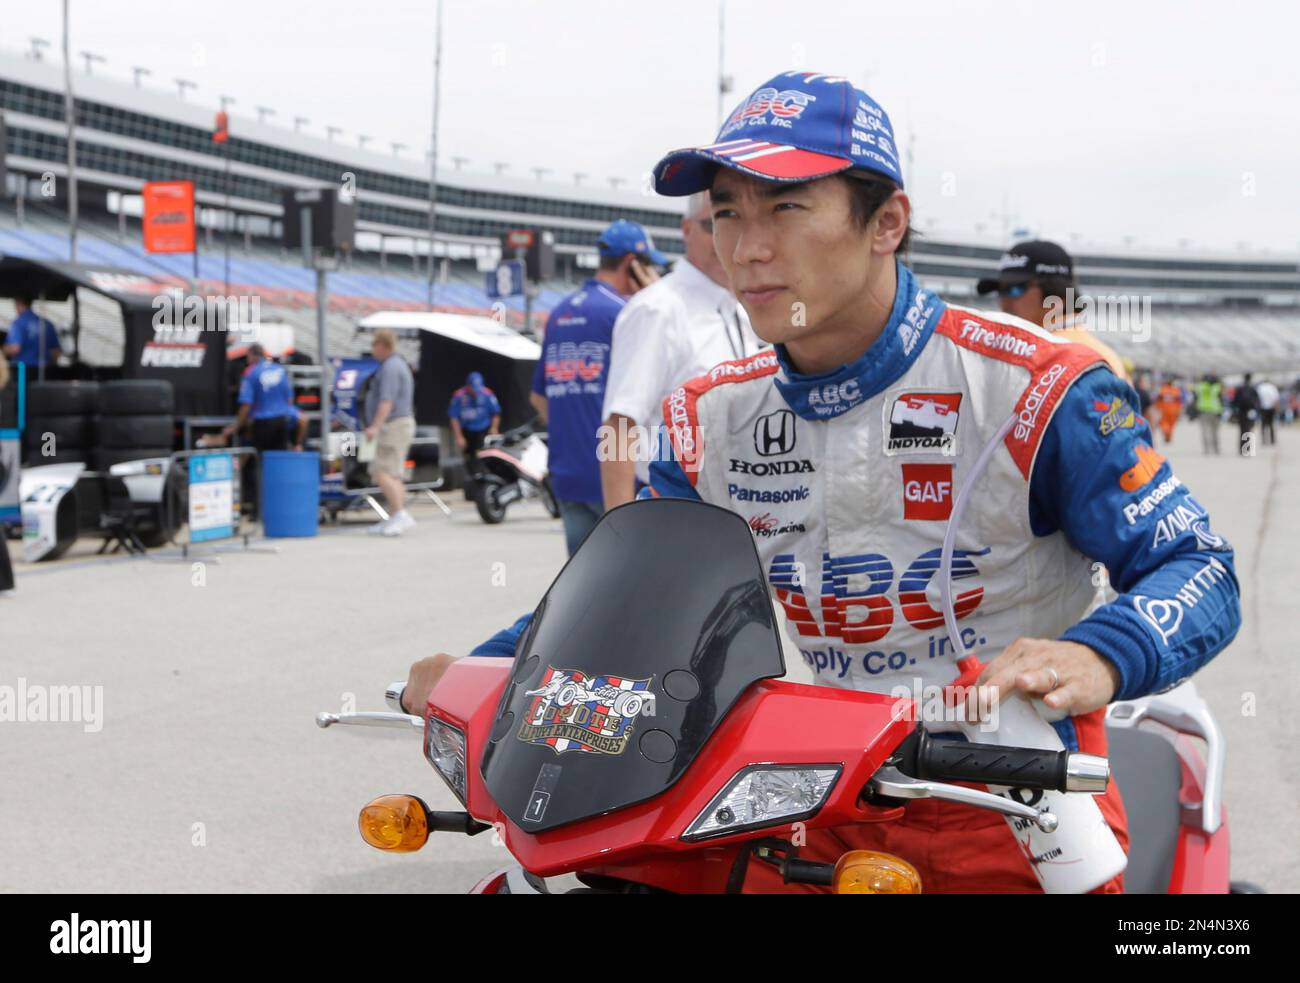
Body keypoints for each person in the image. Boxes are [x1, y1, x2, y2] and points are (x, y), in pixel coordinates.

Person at [402, 71, 1241, 893]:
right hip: (781, 798)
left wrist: (1100, 653)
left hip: (1002, 799)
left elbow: (1200, 566)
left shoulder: (1038, 387)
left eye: (786, 207)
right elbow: (631, 602)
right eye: (726, 212)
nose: (747, 246)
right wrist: (489, 675)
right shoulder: (709, 416)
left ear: (887, 223)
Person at [599, 192, 765, 509]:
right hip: (669, 504)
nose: (723, 236)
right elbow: (620, 427)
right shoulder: (658, 309)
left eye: (737, 222)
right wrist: (619, 532)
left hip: (733, 505)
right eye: (713, 222)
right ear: (687, 230)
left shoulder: (738, 310)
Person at [530, 219, 662, 554]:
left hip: (567, 473)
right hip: (618, 477)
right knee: (632, 588)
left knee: (586, 591)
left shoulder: (559, 314)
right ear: (633, 263)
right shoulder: (629, 312)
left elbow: (538, 397)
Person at [976, 240, 1129, 381]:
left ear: (1055, 294)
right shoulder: (1032, 349)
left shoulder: (1087, 358)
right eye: (1000, 291)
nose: (1004, 301)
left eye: (1014, 289)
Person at [221, 343, 306, 515]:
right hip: (282, 422)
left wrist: (237, 426)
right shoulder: (280, 370)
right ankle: (279, 507)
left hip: (262, 424)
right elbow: (289, 400)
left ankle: (259, 510)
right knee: (279, 464)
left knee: (259, 466)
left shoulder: (251, 373)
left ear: (251, 356)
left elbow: (246, 405)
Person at [363, 329, 417, 536]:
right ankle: (396, 515)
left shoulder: (390, 368)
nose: (372, 349)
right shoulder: (397, 365)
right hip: (399, 423)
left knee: (381, 470)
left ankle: (400, 515)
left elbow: (387, 401)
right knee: (394, 473)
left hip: (392, 425)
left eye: (374, 345)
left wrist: (375, 426)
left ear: (383, 345)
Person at [447, 372, 501, 478]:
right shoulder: (459, 396)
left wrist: (494, 428)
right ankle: (471, 478)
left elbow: (495, 413)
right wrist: (459, 437)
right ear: (468, 386)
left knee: (481, 454)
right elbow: (454, 417)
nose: (476, 392)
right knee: (468, 456)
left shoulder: (487, 394)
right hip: (466, 429)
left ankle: (484, 475)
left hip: (483, 429)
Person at [3, 295, 62, 374]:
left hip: (22, 372)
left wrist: (3, 350)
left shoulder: (19, 323)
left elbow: (15, 348)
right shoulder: (47, 324)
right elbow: (56, 352)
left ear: (18, 304)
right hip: (44, 371)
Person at [1194, 374, 1223, 455]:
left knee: (1205, 431)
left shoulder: (1200, 387)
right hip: (1215, 410)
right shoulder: (1217, 387)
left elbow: (1196, 396)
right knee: (1215, 432)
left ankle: (1206, 449)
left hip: (1203, 410)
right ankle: (1216, 449)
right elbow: (1221, 398)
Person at [1232, 373, 1260, 456]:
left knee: (1241, 430)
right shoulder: (1252, 388)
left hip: (1241, 412)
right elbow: (1257, 400)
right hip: (1250, 411)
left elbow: (1234, 401)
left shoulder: (1240, 388)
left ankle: (1241, 449)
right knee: (1249, 429)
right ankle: (1248, 449)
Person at [1154, 378, 1183, 443]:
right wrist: (1179, 411)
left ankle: (1166, 433)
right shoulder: (1176, 390)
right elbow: (1179, 402)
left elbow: (1158, 401)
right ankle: (1169, 436)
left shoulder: (1162, 390)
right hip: (1173, 411)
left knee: (1164, 423)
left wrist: (1158, 408)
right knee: (1172, 425)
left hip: (1164, 410)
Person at [1256, 377, 1279, 446]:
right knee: (1271, 424)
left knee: (1263, 425)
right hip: (1271, 408)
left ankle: (1264, 440)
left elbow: (1257, 399)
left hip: (1263, 408)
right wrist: (1277, 408)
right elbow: (1276, 399)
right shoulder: (1272, 387)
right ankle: (1272, 440)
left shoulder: (1260, 387)